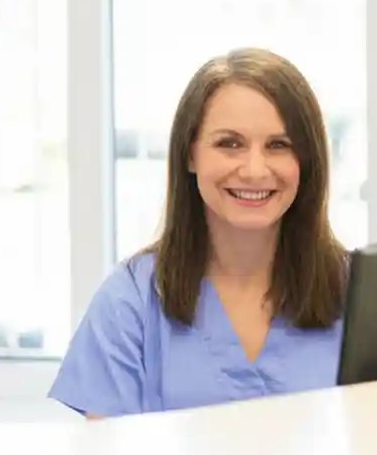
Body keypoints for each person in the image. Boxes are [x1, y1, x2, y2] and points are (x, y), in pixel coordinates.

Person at [48, 48, 347, 417]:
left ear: (306, 160)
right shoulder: (131, 303)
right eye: (230, 144)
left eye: (278, 145)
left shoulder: (358, 297)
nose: (254, 170)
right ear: (190, 154)